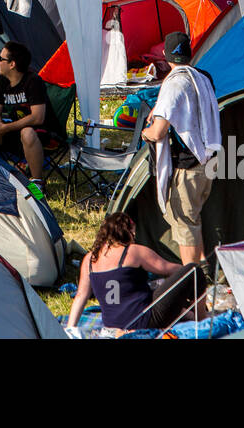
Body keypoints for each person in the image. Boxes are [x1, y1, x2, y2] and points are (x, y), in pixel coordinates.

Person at [141, 31, 220, 266]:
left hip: (188, 165)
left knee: (185, 224)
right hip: (208, 162)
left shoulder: (175, 83)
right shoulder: (203, 78)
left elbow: (158, 131)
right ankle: (203, 271)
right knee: (193, 220)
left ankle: (192, 281)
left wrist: (146, 132)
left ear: (165, 56)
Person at [66, 213, 208, 333]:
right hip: (143, 321)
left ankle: (188, 314)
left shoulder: (89, 259)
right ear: (129, 231)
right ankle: (202, 318)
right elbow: (172, 270)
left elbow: (80, 296)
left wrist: (70, 329)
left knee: (151, 291)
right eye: (133, 232)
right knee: (193, 271)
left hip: (112, 325)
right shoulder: (133, 251)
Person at [0, 41, 50, 186]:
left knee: (27, 132)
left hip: (42, 134)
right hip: (15, 131)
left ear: (12, 64)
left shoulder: (33, 81)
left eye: (1, 59)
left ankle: (37, 182)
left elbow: (37, 117)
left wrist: (6, 128)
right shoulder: (2, 81)